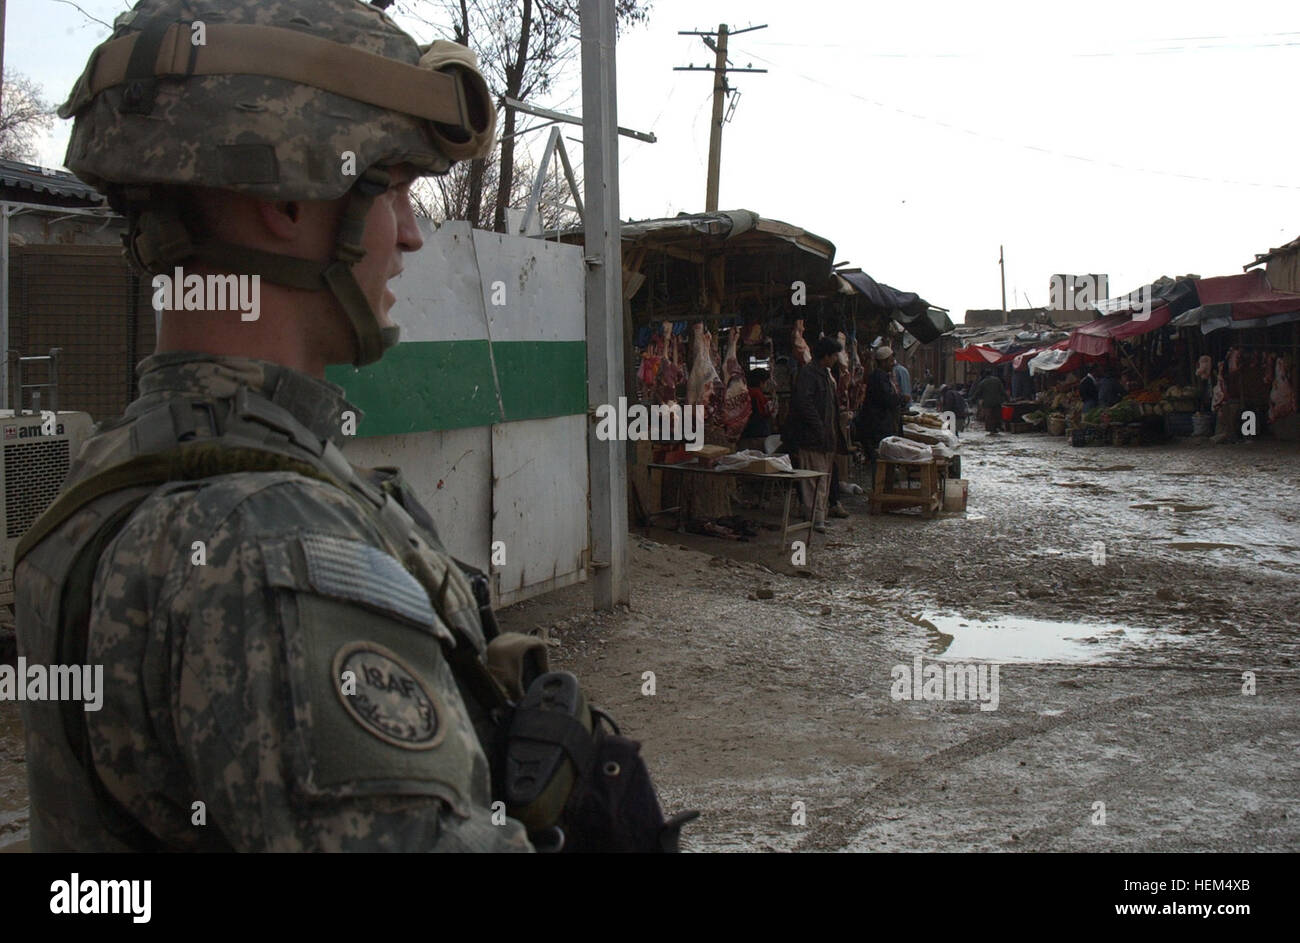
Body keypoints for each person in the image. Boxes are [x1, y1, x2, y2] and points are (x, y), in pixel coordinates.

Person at [13, 0, 594, 853]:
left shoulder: (118, 468)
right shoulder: (264, 539)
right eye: (393, 187)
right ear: (287, 198)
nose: (414, 234)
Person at [791, 336, 841, 532]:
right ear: (826, 356)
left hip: (825, 438)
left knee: (824, 479)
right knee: (813, 480)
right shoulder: (809, 374)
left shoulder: (825, 374)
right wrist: (819, 427)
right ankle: (814, 517)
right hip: (812, 438)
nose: (836, 358)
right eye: (834, 355)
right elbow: (805, 404)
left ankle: (820, 515)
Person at [855, 346, 904, 460]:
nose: (893, 363)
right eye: (891, 361)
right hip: (877, 428)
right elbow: (887, 399)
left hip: (878, 426)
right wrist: (900, 399)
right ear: (884, 362)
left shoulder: (882, 377)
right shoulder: (879, 378)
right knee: (879, 460)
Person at [970, 368, 1007, 434]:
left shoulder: (983, 382)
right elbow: (1002, 391)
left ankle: (991, 430)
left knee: (989, 417)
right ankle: (997, 427)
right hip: (997, 402)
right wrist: (1008, 399)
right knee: (997, 415)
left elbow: (977, 393)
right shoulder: (997, 380)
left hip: (987, 403)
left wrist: (972, 400)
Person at [740, 367, 773, 439]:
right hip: (758, 431)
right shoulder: (758, 394)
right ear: (761, 382)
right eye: (766, 382)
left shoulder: (746, 391)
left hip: (746, 430)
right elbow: (765, 412)